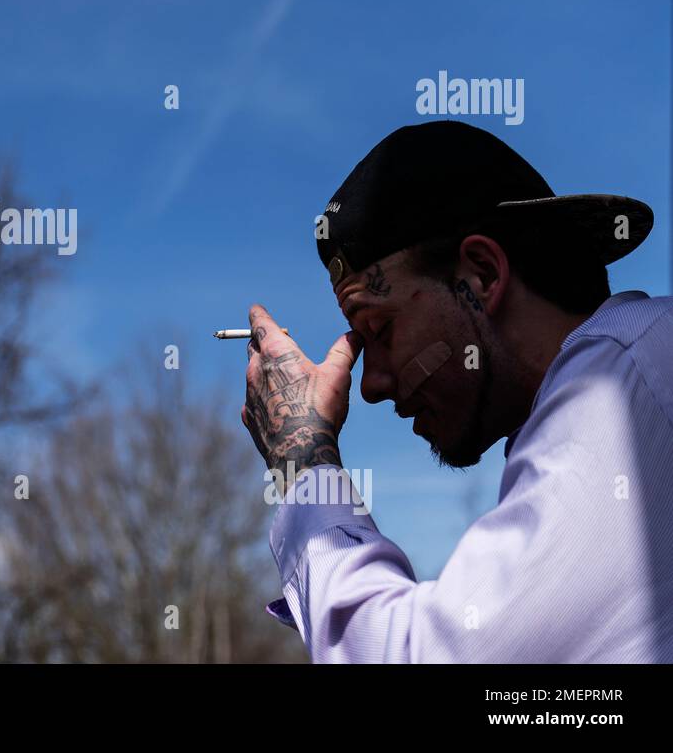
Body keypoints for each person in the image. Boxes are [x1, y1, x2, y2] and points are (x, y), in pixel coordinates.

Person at [242, 120, 673, 662]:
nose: (370, 385)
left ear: (484, 276)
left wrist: (303, 461)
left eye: (379, 330)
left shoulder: (623, 378)